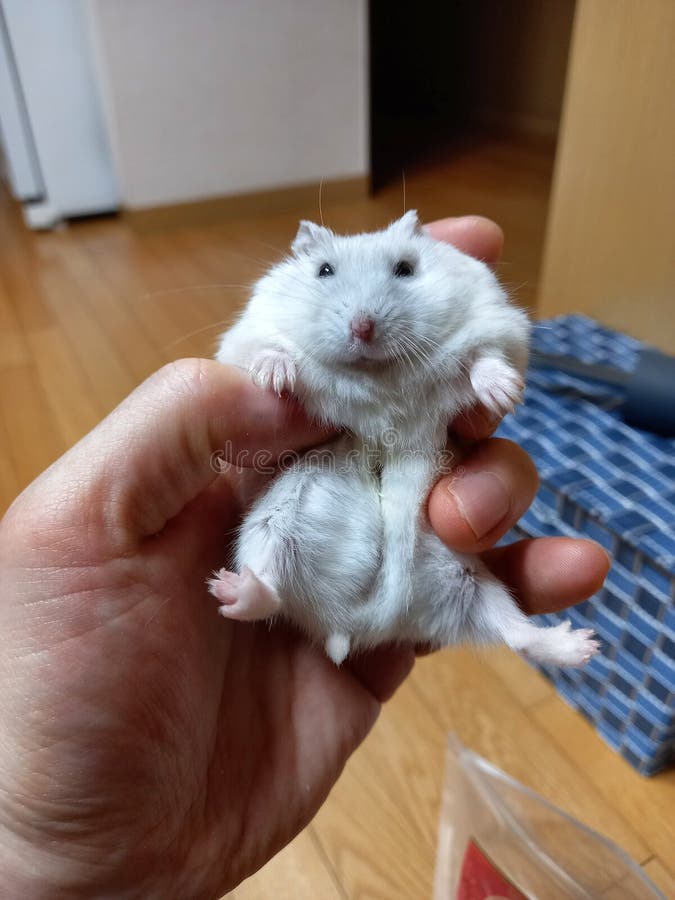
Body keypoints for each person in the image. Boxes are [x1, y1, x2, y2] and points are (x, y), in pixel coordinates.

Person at [0, 217, 609, 897]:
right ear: (303, 258)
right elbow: (242, 348)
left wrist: (488, 366)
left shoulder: (456, 291)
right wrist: (269, 361)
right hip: (323, 498)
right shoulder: (279, 317)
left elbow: (500, 331)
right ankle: (264, 585)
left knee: (461, 570)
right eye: (327, 273)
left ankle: (523, 635)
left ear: (421, 257)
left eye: (401, 272)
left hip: (411, 521)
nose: (363, 321)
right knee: (278, 513)